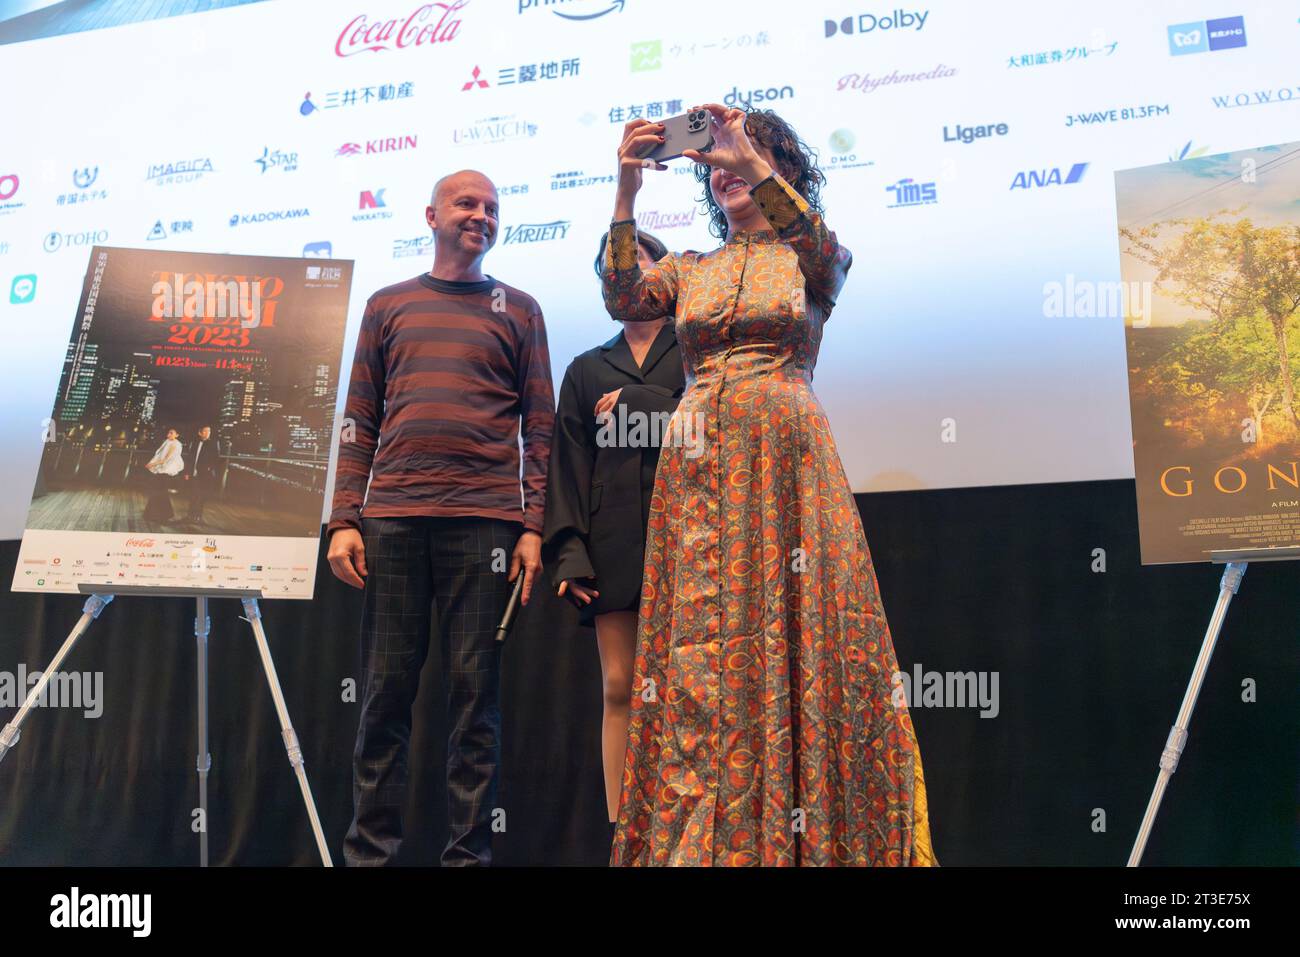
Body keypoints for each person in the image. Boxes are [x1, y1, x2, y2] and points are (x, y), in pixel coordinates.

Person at [601, 104, 937, 866]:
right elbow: (624, 297)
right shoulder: (690, 266)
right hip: (695, 469)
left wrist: (744, 151)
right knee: (698, 645)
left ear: (776, 163)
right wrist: (625, 187)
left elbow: (822, 251)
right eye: (710, 162)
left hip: (785, 456)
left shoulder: (814, 259)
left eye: (738, 158)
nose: (720, 169)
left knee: (798, 628)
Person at [326, 169, 555, 867]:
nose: (480, 214)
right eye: (466, 203)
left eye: (491, 206)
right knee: (385, 699)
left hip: (486, 527)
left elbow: (540, 429)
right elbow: (358, 416)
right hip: (392, 520)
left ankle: (467, 859)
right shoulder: (386, 304)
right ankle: (370, 857)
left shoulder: (520, 309)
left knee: (473, 704)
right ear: (431, 215)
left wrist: (532, 527)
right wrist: (343, 518)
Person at [542, 230, 685, 855]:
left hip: (698, 537)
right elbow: (566, 468)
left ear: (665, 272)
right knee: (619, 687)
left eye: (636, 262)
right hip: (613, 542)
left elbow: (712, 420)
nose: (624, 276)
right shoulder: (584, 368)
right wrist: (568, 552)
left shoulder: (702, 348)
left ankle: (693, 828)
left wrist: (637, 401)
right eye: (611, 269)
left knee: (694, 688)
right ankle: (628, 836)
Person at [142, 427, 184, 523]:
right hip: (161, 470)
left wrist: (152, 464)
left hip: (165, 471)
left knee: (161, 492)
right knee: (158, 492)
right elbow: (159, 455)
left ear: (177, 435)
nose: (168, 435)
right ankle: (156, 515)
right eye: (168, 433)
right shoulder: (167, 441)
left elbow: (165, 459)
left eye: (171, 433)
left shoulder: (175, 444)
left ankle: (163, 515)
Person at [183, 424, 218, 525]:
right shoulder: (194, 443)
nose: (208, 433)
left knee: (201, 496)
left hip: (205, 475)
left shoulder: (214, 443)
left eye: (209, 431)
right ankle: (189, 516)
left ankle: (198, 517)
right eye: (206, 431)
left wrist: (209, 468)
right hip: (193, 473)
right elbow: (190, 459)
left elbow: (216, 458)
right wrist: (187, 472)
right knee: (193, 495)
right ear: (200, 433)